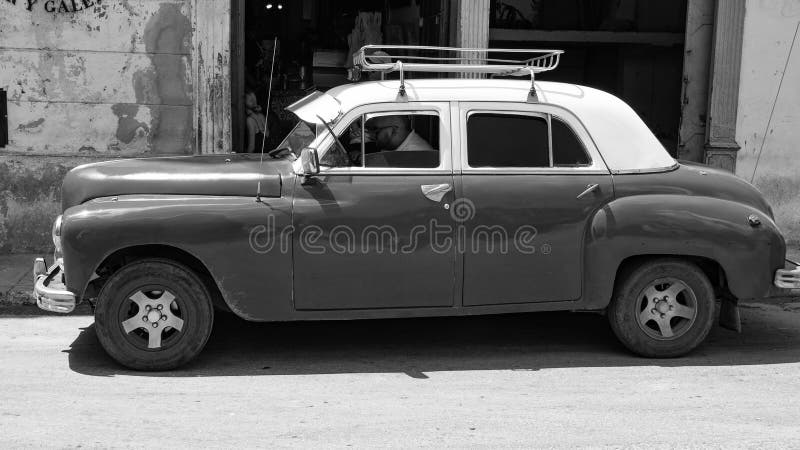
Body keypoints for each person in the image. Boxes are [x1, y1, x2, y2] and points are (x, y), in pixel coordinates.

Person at [366, 115, 433, 152]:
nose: (371, 135)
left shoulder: (417, 154)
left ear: (393, 130)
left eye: (376, 130)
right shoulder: (392, 145)